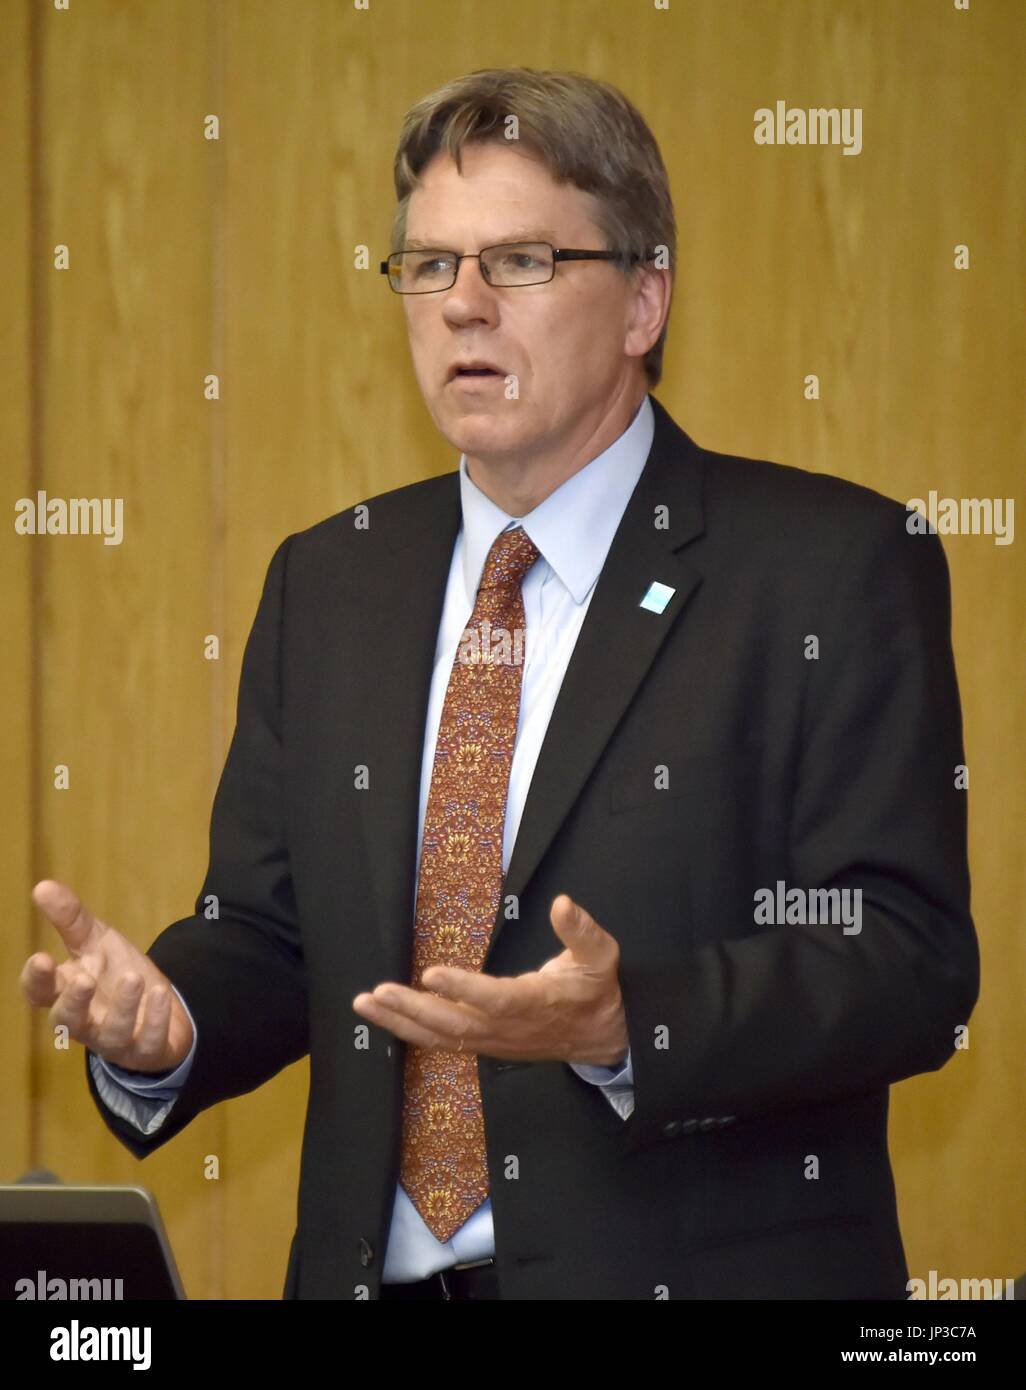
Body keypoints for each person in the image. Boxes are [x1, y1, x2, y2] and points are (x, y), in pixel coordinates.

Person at [21, 67, 978, 1301]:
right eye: (427, 266)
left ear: (645, 299)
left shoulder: (825, 567)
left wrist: (632, 1019)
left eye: (519, 261)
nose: (461, 306)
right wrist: (170, 1025)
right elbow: (271, 936)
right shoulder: (331, 581)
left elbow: (908, 964)